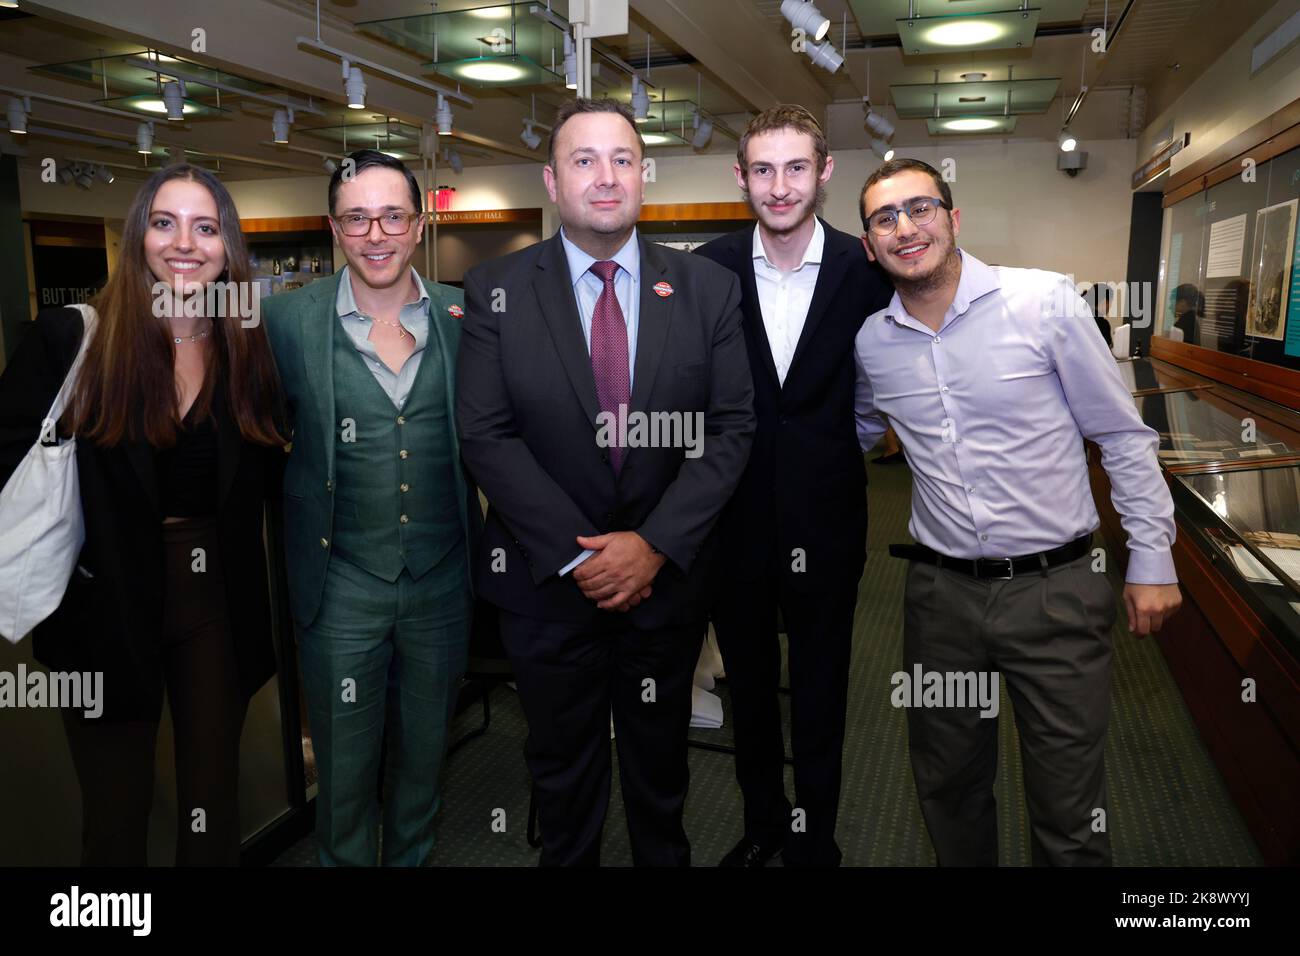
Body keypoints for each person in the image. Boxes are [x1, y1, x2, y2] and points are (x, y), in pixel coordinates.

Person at [853, 158, 1182, 866]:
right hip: (939, 601)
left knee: (1068, 810)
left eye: (920, 209)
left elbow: (1122, 438)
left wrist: (1152, 561)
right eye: (885, 218)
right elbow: (842, 440)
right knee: (949, 787)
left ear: (953, 218)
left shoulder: (1044, 303)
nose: (905, 228)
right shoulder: (872, 344)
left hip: (1054, 595)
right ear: (868, 245)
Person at [456, 97, 755, 866]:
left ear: (643, 178)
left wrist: (653, 545)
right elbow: (486, 434)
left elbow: (729, 429)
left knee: (661, 775)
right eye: (583, 160)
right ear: (552, 182)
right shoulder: (493, 289)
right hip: (547, 587)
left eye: (622, 159)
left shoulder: (706, 290)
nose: (605, 176)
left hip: (666, 585)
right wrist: (580, 553)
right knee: (563, 776)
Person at [0, 164, 286, 865]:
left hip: (215, 599)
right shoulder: (73, 339)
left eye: (206, 226)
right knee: (115, 815)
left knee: (209, 805)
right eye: (165, 222)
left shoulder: (246, 344)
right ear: (139, 236)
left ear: (227, 247)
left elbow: (272, 466)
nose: (184, 242)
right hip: (103, 599)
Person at [261, 149, 476, 867]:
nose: (375, 233)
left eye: (392, 215)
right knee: (346, 776)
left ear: (418, 224)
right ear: (334, 227)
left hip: (442, 581)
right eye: (357, 217)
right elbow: (253, 441)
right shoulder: (284, 321)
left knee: (422, 765)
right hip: (340, 583)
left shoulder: (464, 314)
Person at [694, 105, 891, 867]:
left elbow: (885, 386)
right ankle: (763, 824)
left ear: (826, 172)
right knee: (748, 687)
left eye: (796, 168)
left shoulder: (866, 270)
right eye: (764, 170)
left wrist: (843, 451)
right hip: (731, 525)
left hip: (828, 522)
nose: (780, 187)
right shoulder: (704, 271)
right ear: (739, 175)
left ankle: (816, 840)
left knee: (820, 690)